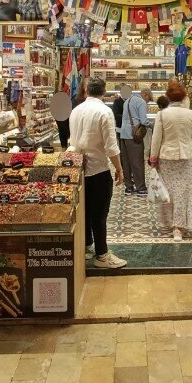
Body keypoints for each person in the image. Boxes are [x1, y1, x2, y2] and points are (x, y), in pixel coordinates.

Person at [68, 76, 126, 269]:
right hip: (98, 169)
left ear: (86, 90)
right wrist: (118, 168)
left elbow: (72, 140)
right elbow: (111, 146)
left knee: (83, 211)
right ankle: (102, 254)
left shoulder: (76, 111)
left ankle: (85, 247)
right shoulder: (104, 111)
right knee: (99, 214)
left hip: (77, 169)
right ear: (104, 91)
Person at [149, 80, 192, 242]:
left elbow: (156, 139)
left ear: (168, 98)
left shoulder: (162, 114)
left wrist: (153, 159)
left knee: (169, 192)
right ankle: (179, 227)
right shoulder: (191, 114)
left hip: (167, 157)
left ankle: (172, 225)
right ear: (183, 98)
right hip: (187, 157)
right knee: (184, 192)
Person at [119, 87, 150, 196]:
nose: (148, 102)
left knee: (126, 162)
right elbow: (143, 120)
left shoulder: (127, 101)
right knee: (137, 161)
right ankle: (141, 188)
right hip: (134, 135)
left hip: (123, 134)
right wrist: (152, 125)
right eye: (148, 99)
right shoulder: (141, 102)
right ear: (145, 95)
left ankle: (128, 187)